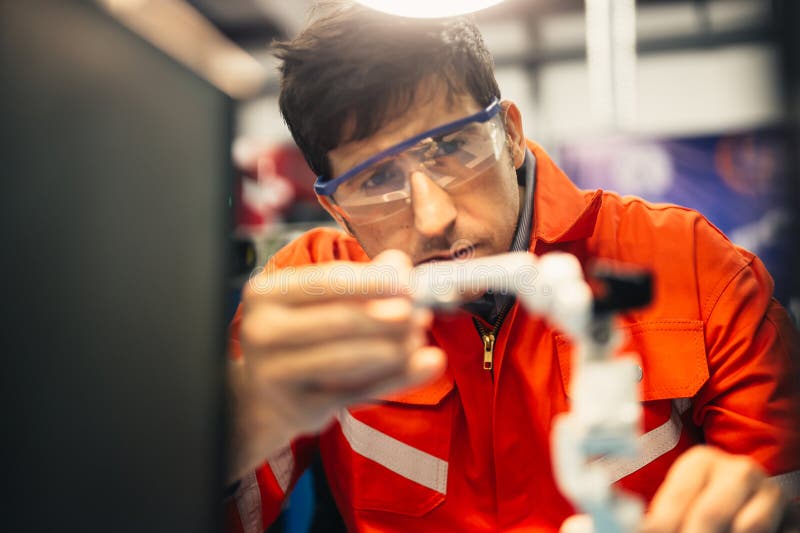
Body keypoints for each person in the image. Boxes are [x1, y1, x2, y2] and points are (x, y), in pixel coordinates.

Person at [224, 2, 800, 531]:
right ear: (334, 208)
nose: (433, 217)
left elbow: (781, 488)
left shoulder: (692, 264)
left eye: (452, 148)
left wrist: (757, 512)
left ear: (512, 134)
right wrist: (234, 425)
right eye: (375, 180)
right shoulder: (308, 297)